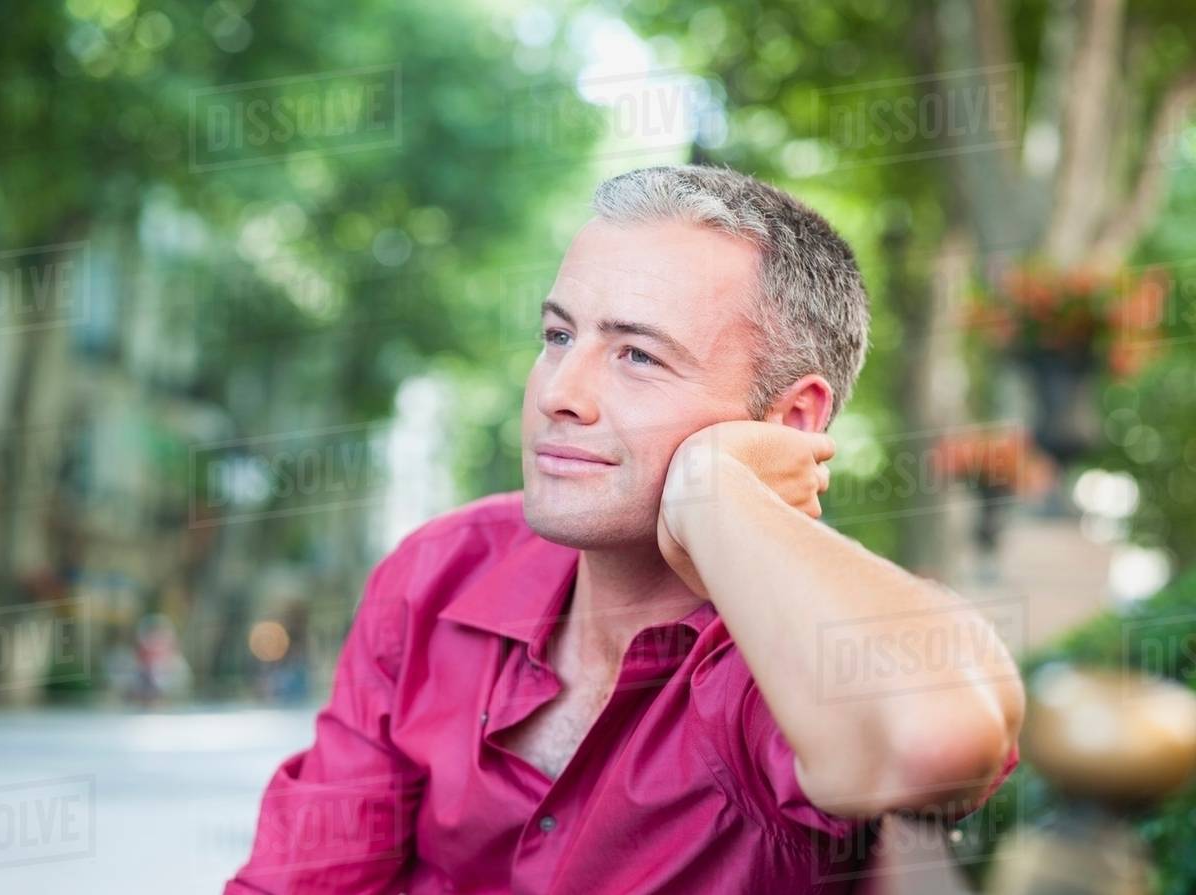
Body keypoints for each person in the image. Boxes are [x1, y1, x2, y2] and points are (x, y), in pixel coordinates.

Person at [224, 164, 1023, 894]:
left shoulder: (780, 661)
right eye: (559, 336)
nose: (560, 392)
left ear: (792, 417)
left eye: (638, 355)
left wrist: (716, 487)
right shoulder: (440, 573)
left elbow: (929, 737)